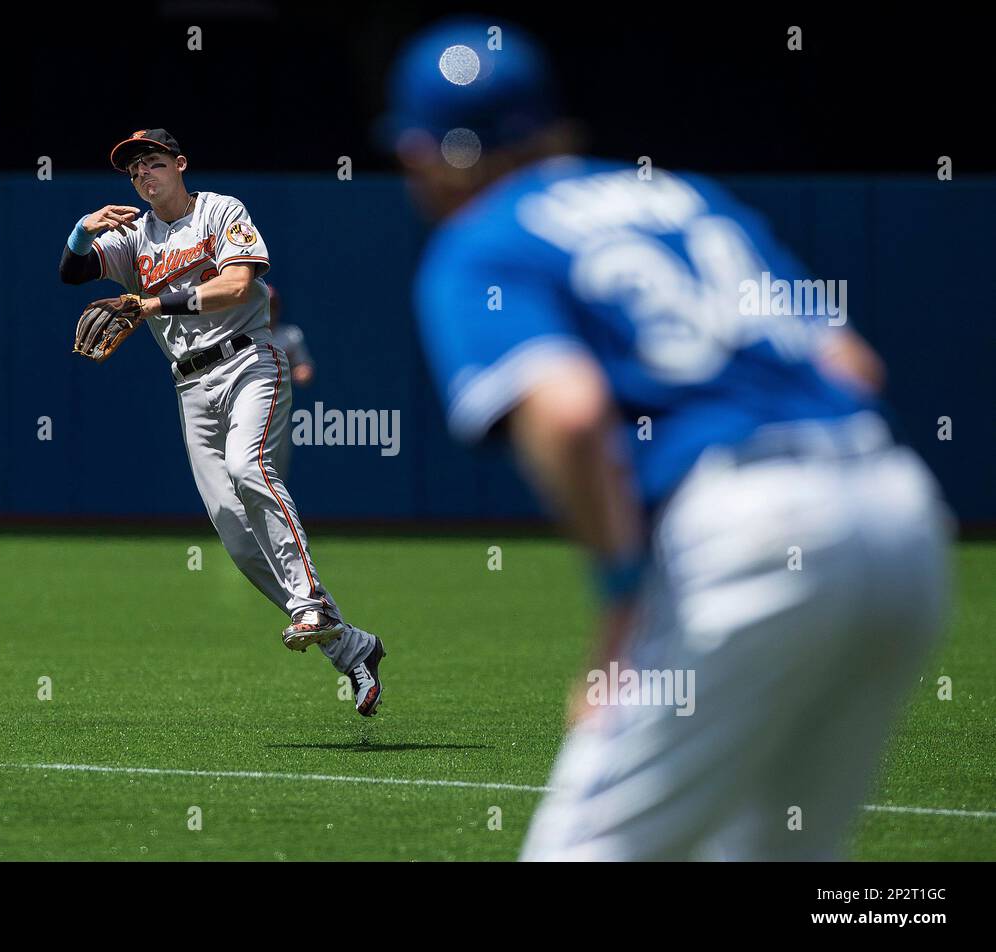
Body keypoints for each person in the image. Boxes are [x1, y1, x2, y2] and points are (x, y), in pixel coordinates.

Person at [385, 21, 950, 858]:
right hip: (902, 518)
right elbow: (854, 367)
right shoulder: (686, 199)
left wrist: (623, 596)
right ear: (554, 128)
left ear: (426, 154)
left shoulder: (483, 243)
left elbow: (571, 414)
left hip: (749, 532)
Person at [58, 128, 385, 716]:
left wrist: (150, 304)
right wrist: (83, 230)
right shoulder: (134, 239)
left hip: (248, 360)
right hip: (189, 384)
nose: (144, 176)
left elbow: (239, 283)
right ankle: (349, 645)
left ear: (180, 164)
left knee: (248, 467)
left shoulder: (219, 210)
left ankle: (309, 599)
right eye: (134, 171)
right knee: (235, 532)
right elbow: (73, 274)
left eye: (154, 164)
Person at [266, 285, 315, 387]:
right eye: (266, 306)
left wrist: (302, 372)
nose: (270, 311)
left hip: (279, 393)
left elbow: (303, 366)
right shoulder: (246, 334)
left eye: (273, 306)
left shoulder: (291, 335)